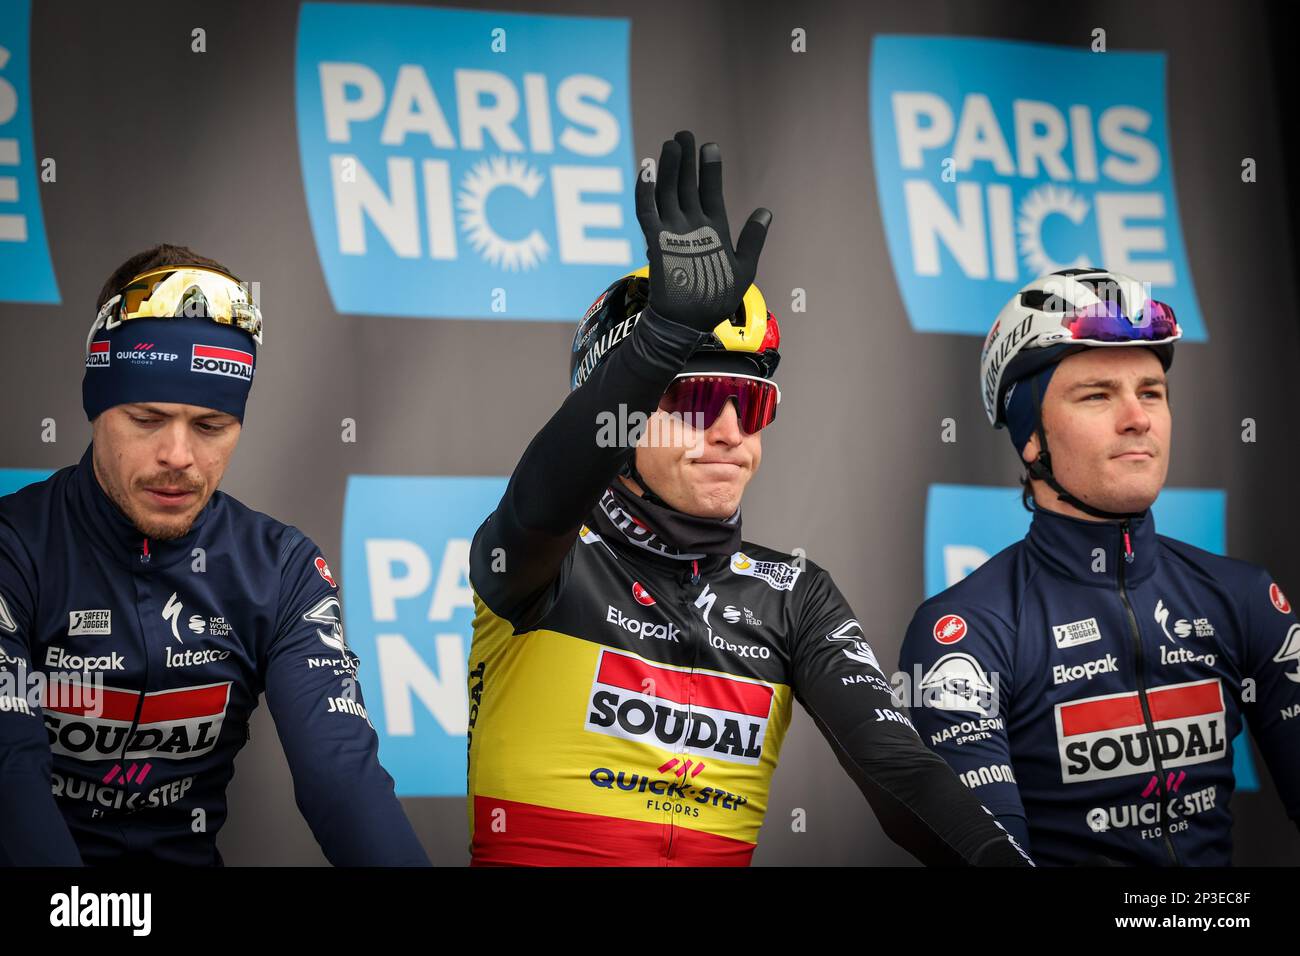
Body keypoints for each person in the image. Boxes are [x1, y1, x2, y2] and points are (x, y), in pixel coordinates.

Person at [465, 130, 1032, 866]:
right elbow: (546, 490)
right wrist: (658, 338)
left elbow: (901, 775)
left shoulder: (795, 596)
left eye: (751, 402)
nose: (731, 431)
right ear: (621, 415)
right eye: (698, 399)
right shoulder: (540, 566)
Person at [0, 245, 429, 866]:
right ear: (96, 407)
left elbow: (342, 779)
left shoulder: (279, 570)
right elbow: (10, 775)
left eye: (210, 426)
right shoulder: (15, 549)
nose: (179, 455)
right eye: (147, 418)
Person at [899, 267, 1300, 865]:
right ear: (1031, 436)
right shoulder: (966, 631)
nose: (1137, 417)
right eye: (1097, 394)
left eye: (1151, 391)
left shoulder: (1243, 597)